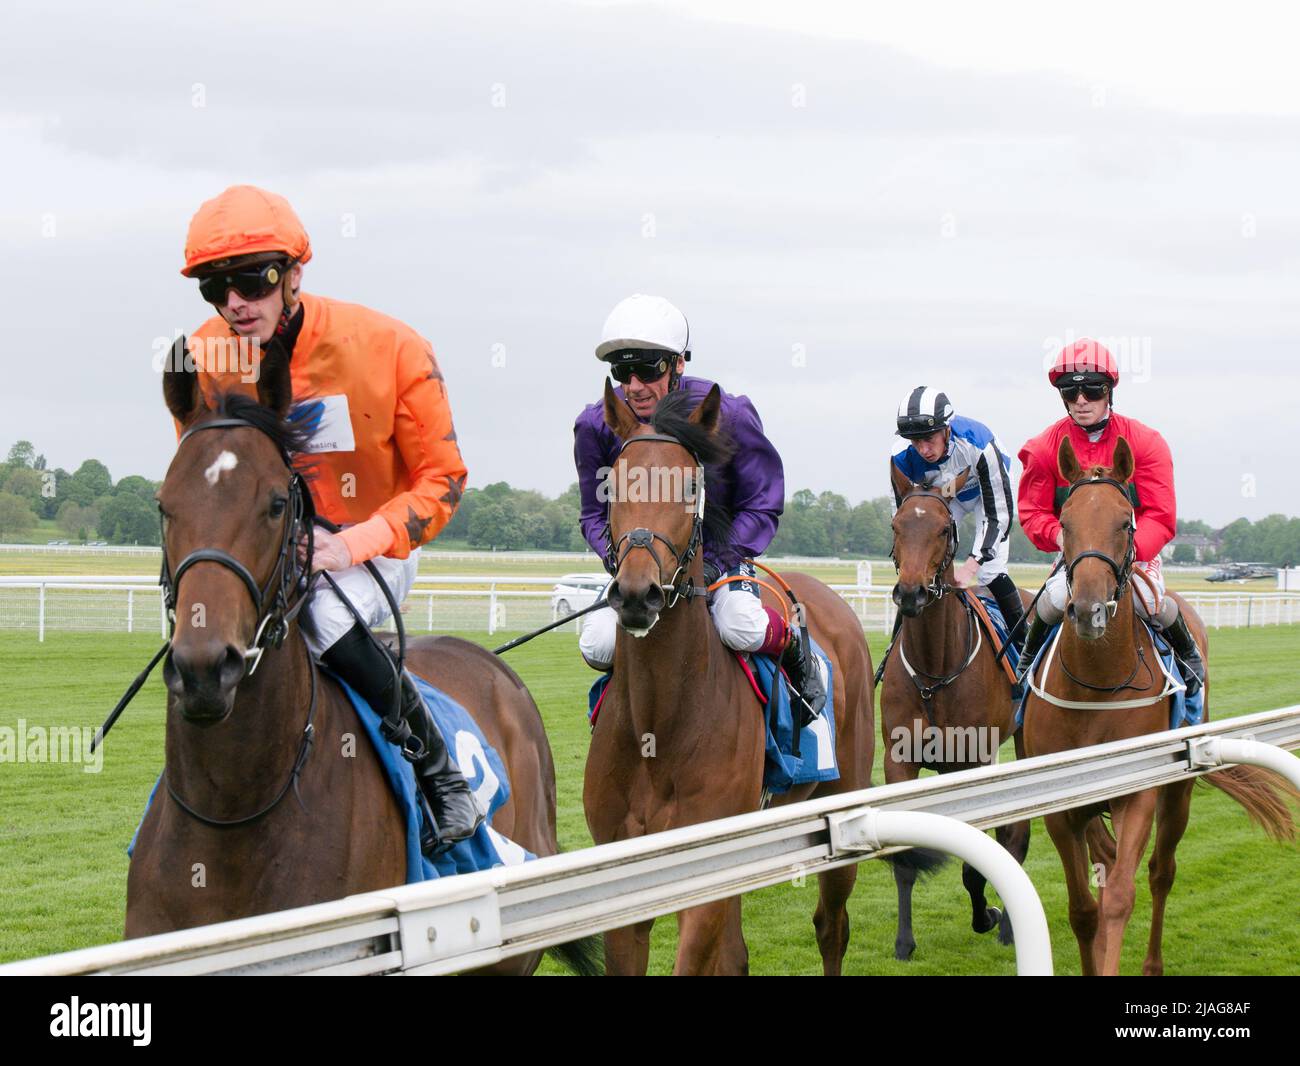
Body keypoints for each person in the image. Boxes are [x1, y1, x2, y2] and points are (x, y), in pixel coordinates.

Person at [178, 184, 482, 850]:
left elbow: (445, 480)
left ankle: (443, 779)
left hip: (373, 546)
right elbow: (202, 470)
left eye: (252, 281)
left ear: (293, 274)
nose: (235, 303)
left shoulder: (393, 346)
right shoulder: (203, 355)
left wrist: (350, 547)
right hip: (265, 546)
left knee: (321, 615)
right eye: (215, 288)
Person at [572, 293, 825, 713]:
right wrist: (625, 559)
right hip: (640, 562)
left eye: (648, 369)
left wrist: (712, 563)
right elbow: (593, 514)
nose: (634, 386)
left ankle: (794, 643)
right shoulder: (596, 426)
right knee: (597, 644)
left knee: (739, 626)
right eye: (623, 371)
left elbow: (762, 505)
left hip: (720, 561)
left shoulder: (729, 415)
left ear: (678, 365)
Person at [1016, 338, 1205, 696]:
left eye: (1091, 390)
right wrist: (1061, 538)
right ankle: (1025, 675)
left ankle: (1190, 666)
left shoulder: (1146, 443)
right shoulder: (1042, 449)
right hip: (1075, 554)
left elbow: (1161, 516)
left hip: (1133, 552)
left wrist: (1129, 551)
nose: (1081, 400)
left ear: (1109, 391)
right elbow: (1033, 513)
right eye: (1070, 393)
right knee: (1052, 601)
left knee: (1151, 603)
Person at [886, 385, 1024, 652]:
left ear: (946, 429)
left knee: (990, 573)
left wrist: (971, 566)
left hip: (986, 494)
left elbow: (1000, 516)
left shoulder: (980, 444)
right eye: (916, 442)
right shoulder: (901, 455)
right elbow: (903, 521)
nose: (924, 450)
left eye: (930, 440)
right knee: (915, 573)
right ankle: (894, 648)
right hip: (945, 495)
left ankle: (1024, 647)